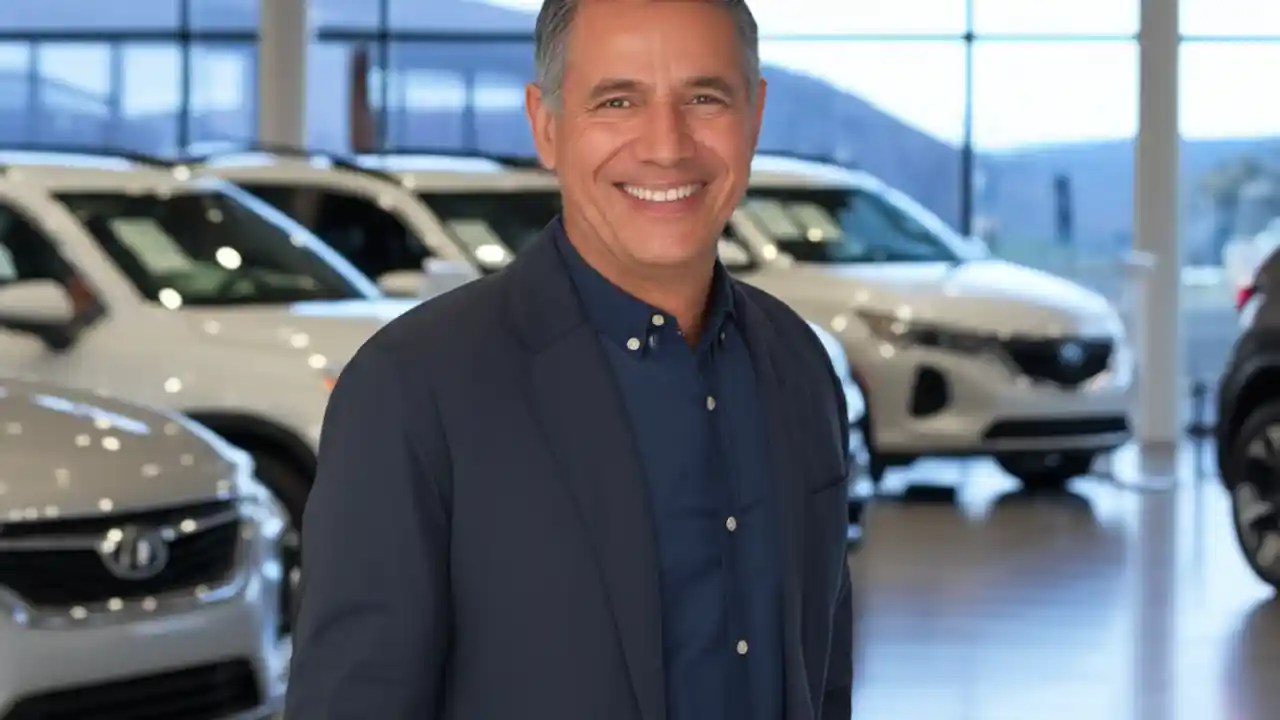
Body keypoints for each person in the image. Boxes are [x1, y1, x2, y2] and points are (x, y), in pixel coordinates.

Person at [283, 0, 853, 718]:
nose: (666, 146)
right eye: (618, 101)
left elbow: (824, 670)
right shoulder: (414, 388)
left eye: (705, 98)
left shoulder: (799, 365)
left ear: (755, 114)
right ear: (547, 125)